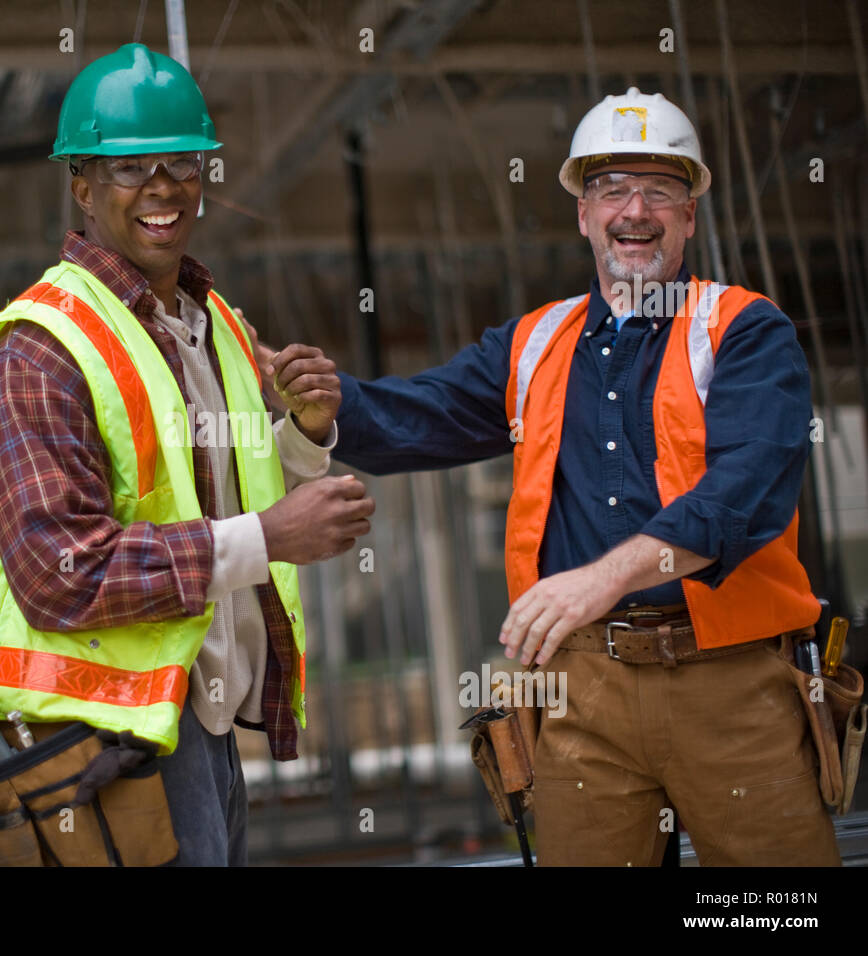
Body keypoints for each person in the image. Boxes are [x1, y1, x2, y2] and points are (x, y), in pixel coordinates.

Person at [313, 88, 838, 865]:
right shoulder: (533, 343)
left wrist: (602, 579)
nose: (636, 210)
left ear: (690, 215)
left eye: (660, 190)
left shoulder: (743, 330)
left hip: (732, 683)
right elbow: (415, 417)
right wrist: (320, 408)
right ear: (584, 212)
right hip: (579, 690)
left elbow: (743, 497)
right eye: (612, 189)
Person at [0, 42, 368, 866]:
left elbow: (226, 493)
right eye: (129, 170)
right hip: (98, 739)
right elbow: (61, 572)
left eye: (183, 162)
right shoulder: (39, 350)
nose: (162, 187)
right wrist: (271, 539)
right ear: (82, 187)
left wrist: (301, 434)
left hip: (196, 716)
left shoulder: (214, 321)